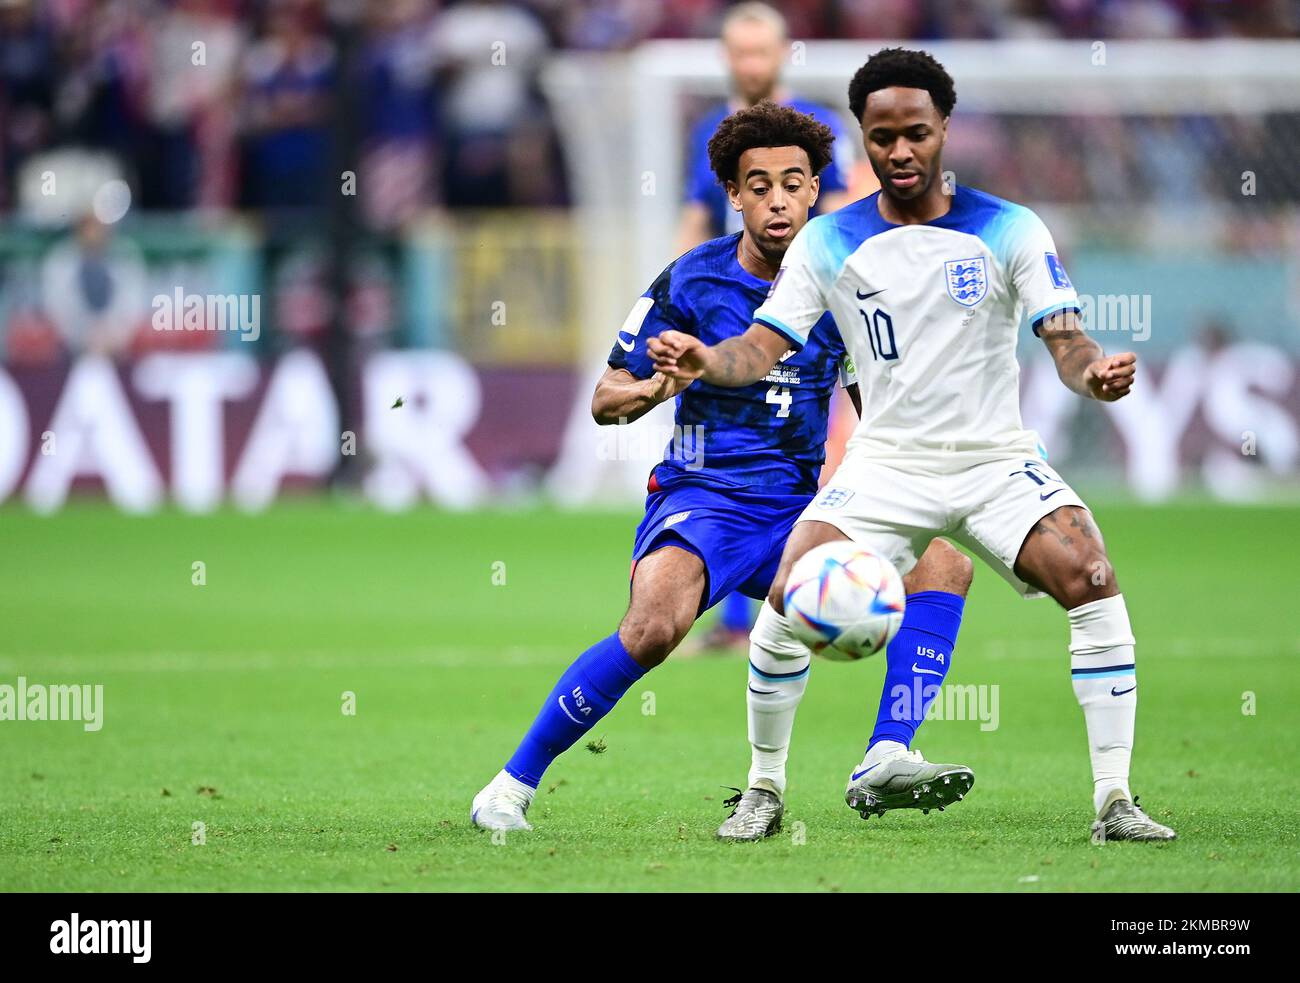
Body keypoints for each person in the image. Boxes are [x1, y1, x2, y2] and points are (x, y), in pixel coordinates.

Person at [648, 48, 1176, 842]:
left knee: (1092, 576)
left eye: (916, 134)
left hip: (995, 458)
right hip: (887, 462)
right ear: (862, 135)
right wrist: (705, 360)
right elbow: (758, 348)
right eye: (882, 136)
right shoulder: (829, 241)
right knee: (788, 600)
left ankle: (1115, 801)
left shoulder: (1009, 227)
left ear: (944, 131)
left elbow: (1063, 338)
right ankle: (763, 790)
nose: (900, 152)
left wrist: (1092, 371)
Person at [471, 101, 974, 838]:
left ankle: (886, 753)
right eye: (759, 184)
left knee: (944, 564)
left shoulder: (850, 286)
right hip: (706, 497)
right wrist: (650, 389)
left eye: (793, 183)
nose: (777, 199)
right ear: (733, 195)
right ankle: (510, 785)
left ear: (815, 192)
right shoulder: (691, 281)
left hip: (805, 506)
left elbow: (879, 406)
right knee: (651, 628)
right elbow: (607, 397)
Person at [679, 1, 856, 650]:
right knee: (733, 458)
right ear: (726, 57)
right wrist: (677, 291)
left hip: (807, 318)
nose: (751, 63)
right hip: (730, 320)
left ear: (783, 53)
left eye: (762, 51)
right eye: (740, 52)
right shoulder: (709, 131)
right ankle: (742, 611)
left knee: (811, 460)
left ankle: (815, 594)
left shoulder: (818, 127)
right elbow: (695, 217)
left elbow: (843, 215)